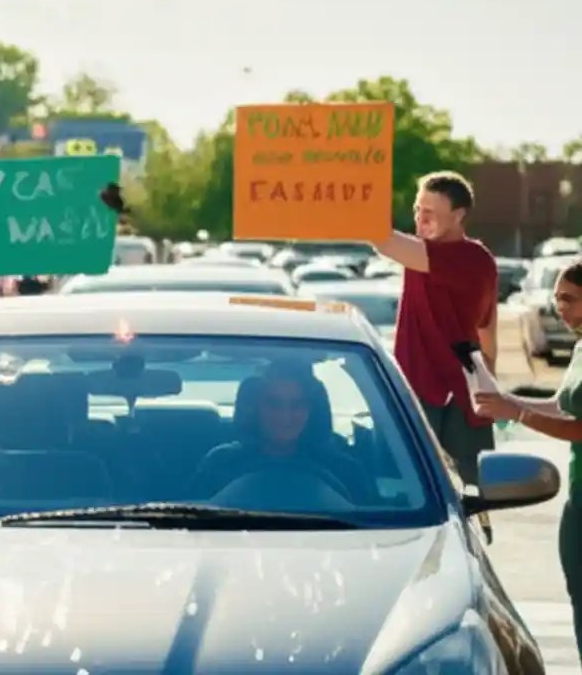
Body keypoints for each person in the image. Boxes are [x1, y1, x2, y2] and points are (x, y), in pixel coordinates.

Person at [372, 171, 498, 542]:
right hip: (415, 388)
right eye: (417, 209)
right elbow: (488, 330)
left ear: (459, 215)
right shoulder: (424, 254)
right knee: (399, 498)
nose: (420, 219)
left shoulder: (469, 258)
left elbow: (384, 241)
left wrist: (491, 391)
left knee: (470, 502)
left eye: (431, 212)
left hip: (458, 397)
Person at [474, 259, 582, 660]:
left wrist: (518, 413)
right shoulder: (580, 346)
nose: (561, 310)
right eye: (557, 301)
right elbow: (562, 406)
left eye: (569, 300)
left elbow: (579, 427)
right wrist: (506, 402)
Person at [188, 361, 373, 502]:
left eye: (297, 405)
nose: (285, 417)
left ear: (312, 410)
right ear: (255, 408)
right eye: (274, 404)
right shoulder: (219, 464)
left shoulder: (345, 471)